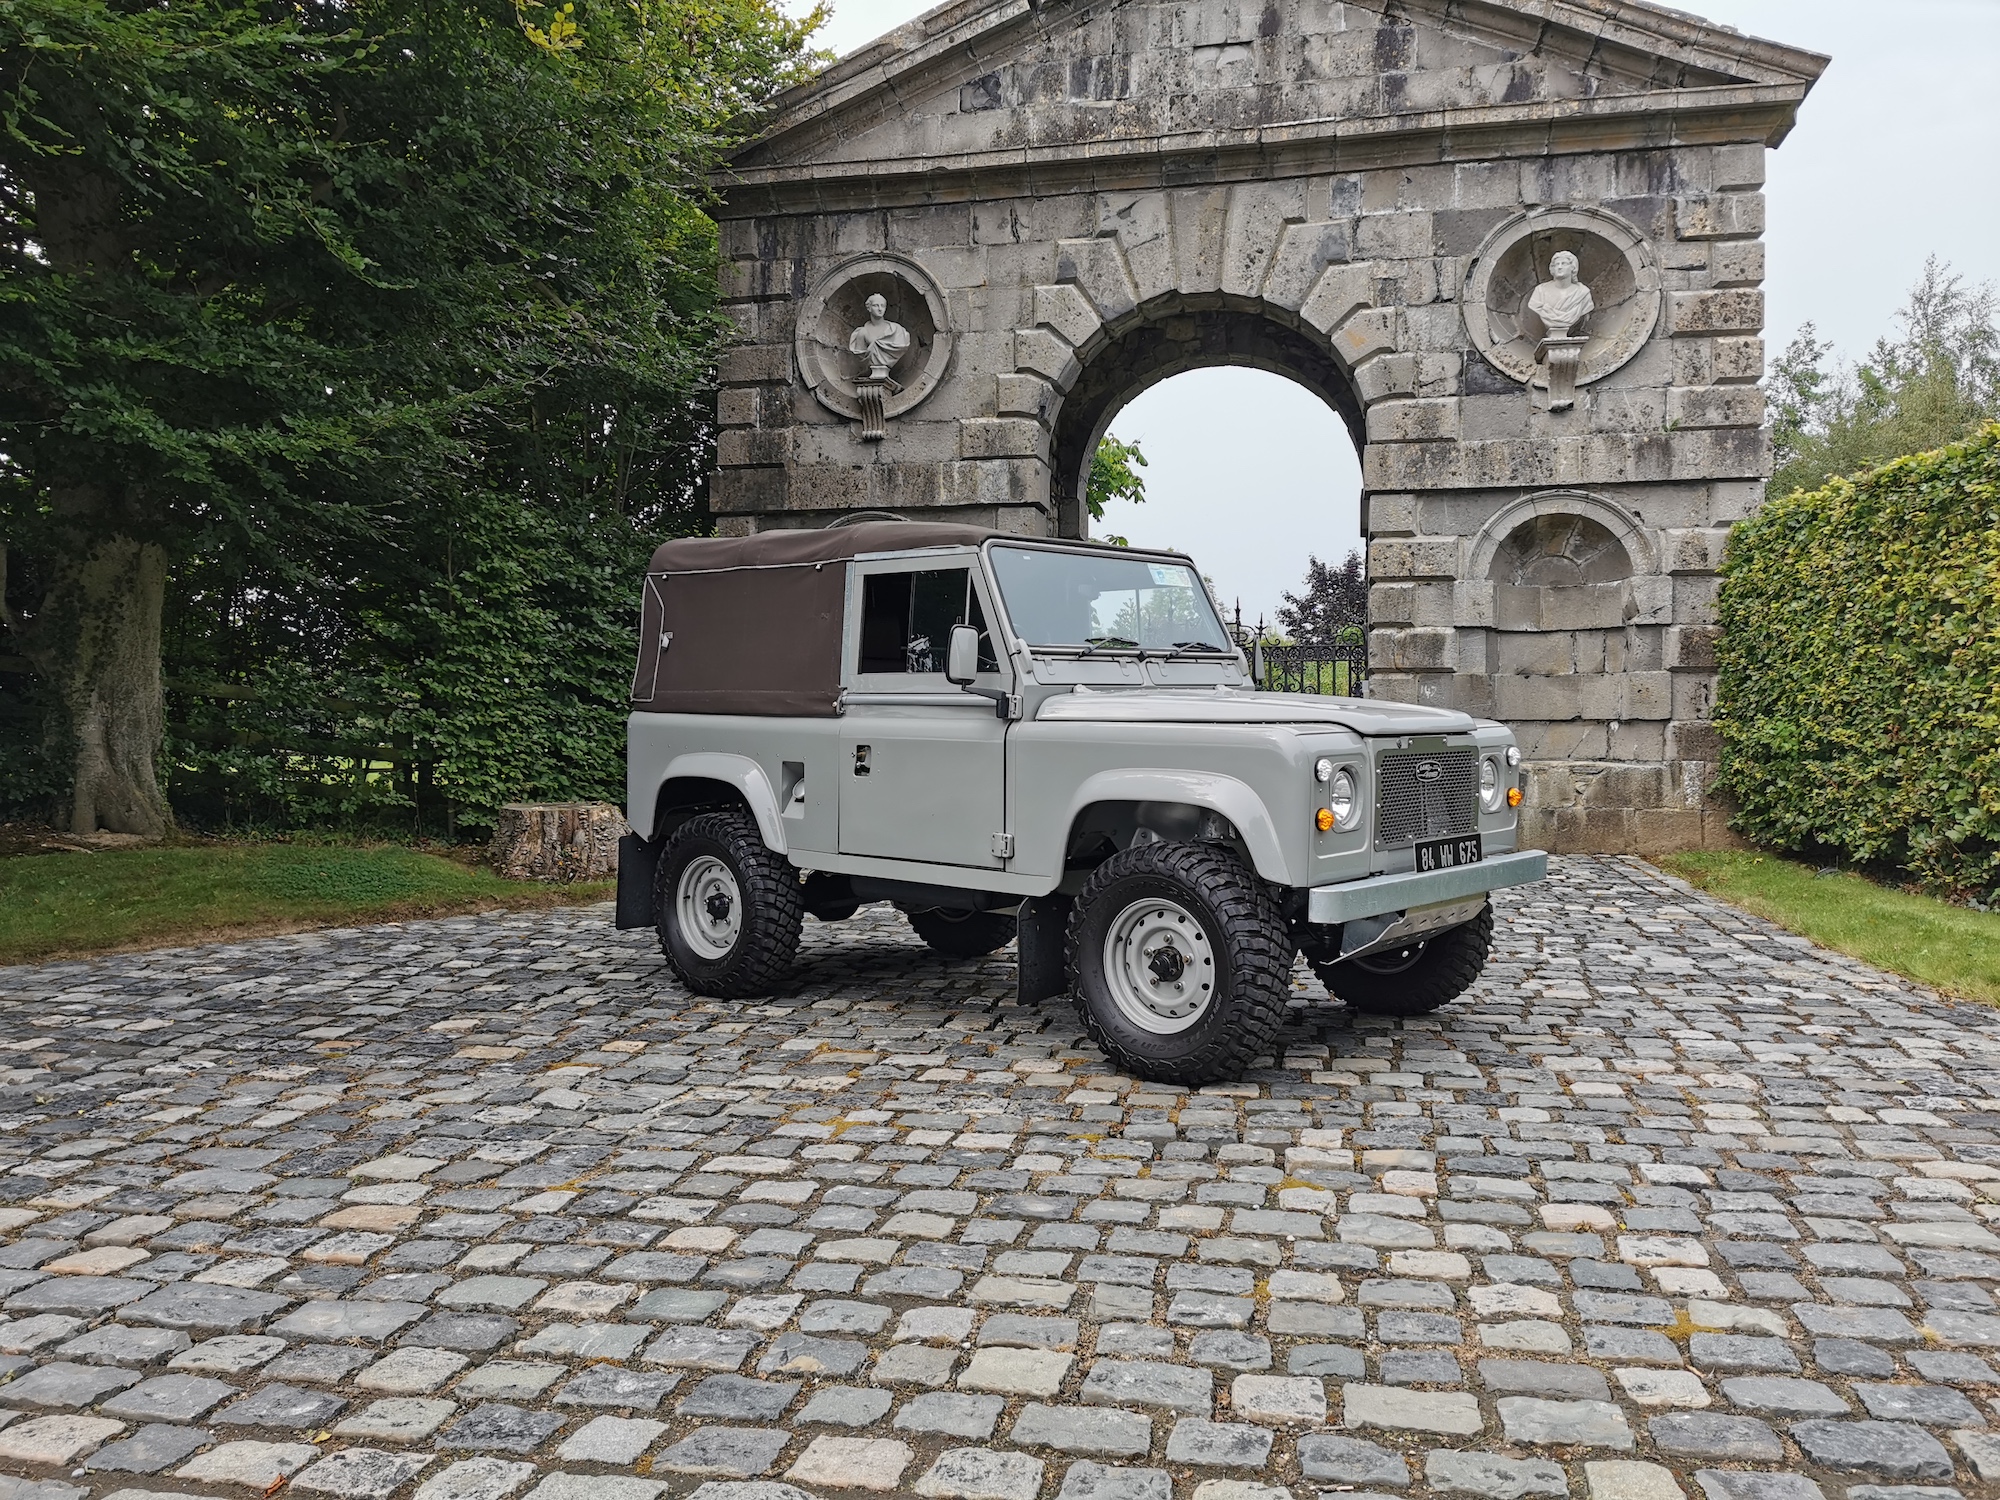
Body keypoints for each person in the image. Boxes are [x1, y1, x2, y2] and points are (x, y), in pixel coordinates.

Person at [1528, 250, 1594, 338]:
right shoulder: (1540, 291)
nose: (1559, 267)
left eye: (1564, 264)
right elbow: (1535, 306)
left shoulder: (1582, 293)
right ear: (1552, 268)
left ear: (1573, 267)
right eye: (1556, 264)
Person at [849, 293, 911, 380]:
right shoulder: (862, 333)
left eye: (883, 306)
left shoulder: (896, 330)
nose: (880, 309)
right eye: (876, 305)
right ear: (869, 308)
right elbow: (860, 356)